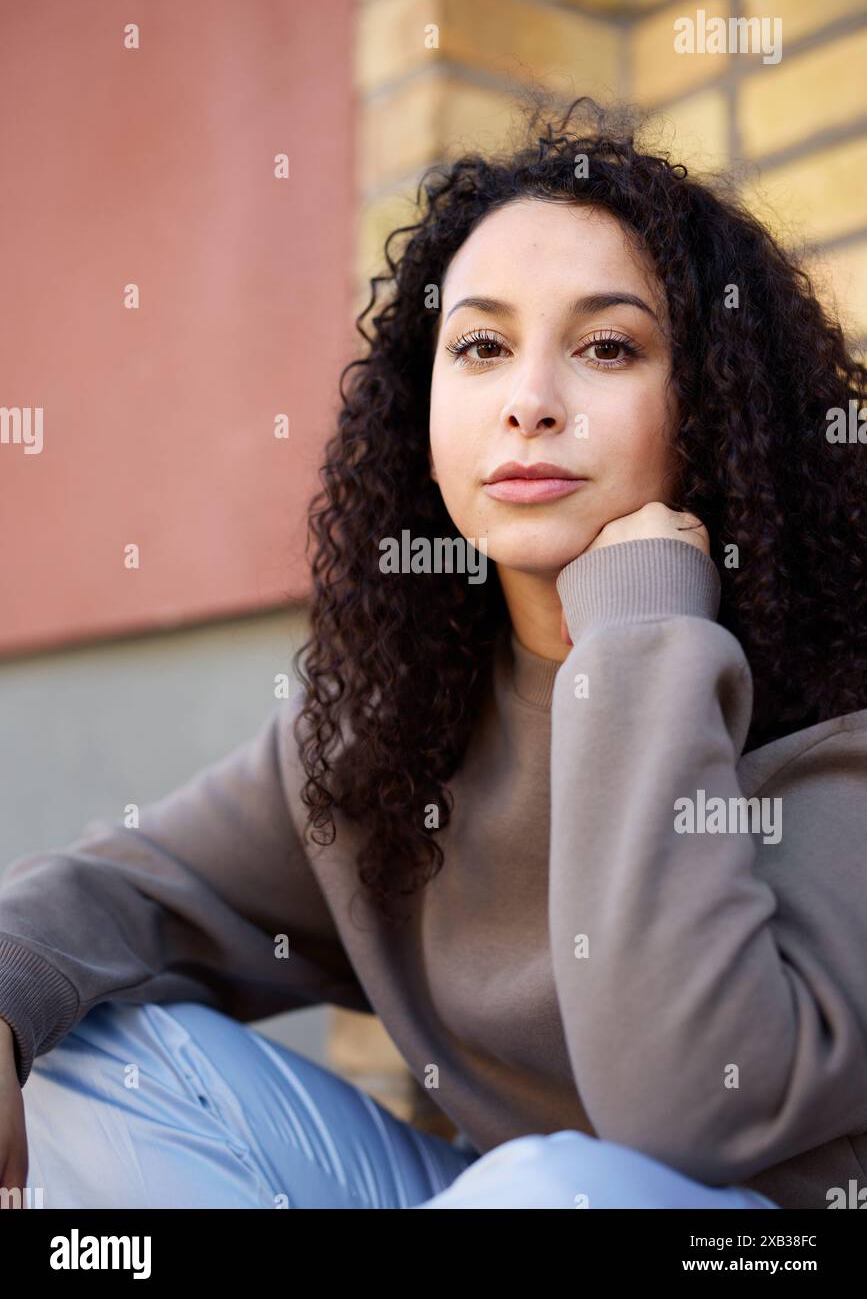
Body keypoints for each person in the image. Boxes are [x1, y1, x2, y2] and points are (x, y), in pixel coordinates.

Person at [1, 94, 866, 1210]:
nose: (529, 403)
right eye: (482, 346)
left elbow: (688, 1112)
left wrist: (644, 627)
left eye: (608, 347)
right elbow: (129, 893)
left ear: (718, 404)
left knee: (551, 1187)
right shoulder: (399, 723)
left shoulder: (840, 718)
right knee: (88, 1045)